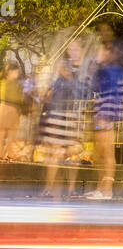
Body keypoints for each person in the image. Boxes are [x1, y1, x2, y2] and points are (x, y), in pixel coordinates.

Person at [39, 41, 87, 198]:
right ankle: (49, 188)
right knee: (54, 153)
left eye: (75, 48)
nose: (72, 51)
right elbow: (53, 91)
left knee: (73, 153)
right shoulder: (62, 70)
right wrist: (46, 95)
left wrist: (70, 77)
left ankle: (71, 189)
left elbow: (83, 91)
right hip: (57, 115)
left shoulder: (83, 69)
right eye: (70, 49)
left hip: (72, 115)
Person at [85, 23, 123, 200]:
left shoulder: (115, 70)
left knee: (106, 152)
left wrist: (107, 116)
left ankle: (107, 190)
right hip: (101, 110)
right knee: (98, 153)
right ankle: (100, 187)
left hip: (106, 112)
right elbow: (93, 86)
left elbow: (117, 94)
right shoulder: (104, 69)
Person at [0, 57, 29, 161]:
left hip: (10, 109)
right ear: (10, 72)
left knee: (7, 133)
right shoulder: (7, 83)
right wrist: (23, 103)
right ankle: (4, 153)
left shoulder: (8, 82)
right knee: (4, 132)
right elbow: (14, 97)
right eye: (16, 72)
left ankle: (6, 153)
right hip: (9, 108)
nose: (17, 74)